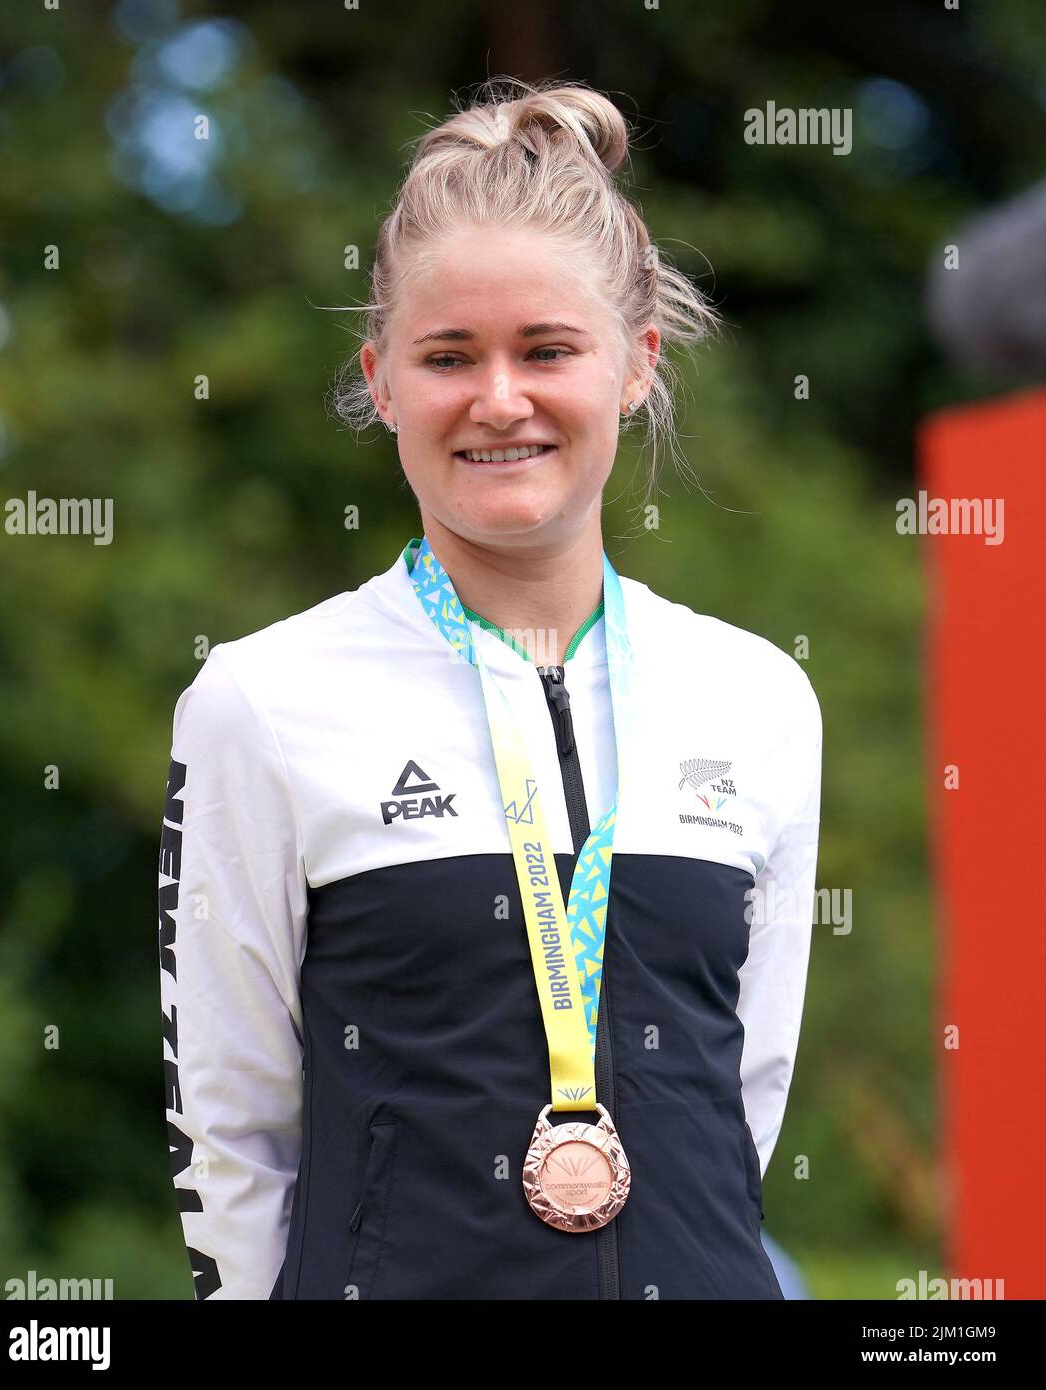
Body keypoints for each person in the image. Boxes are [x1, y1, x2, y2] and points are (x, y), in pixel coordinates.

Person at [157, 76, 822, 1301]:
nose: (499, 399)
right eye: (449, 355)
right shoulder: (262, 698)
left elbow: (741, 1106)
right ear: (384, 380)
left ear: (634, 364)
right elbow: (230, 1135)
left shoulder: (759, 697)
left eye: (548, 350)